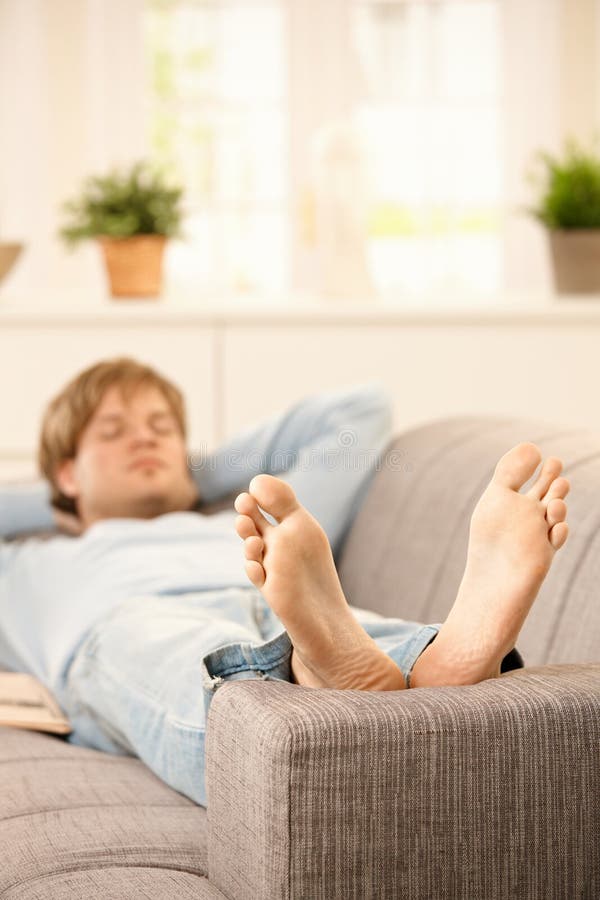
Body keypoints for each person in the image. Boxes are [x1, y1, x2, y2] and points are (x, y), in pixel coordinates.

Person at [0, 358, 570, 807]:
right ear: (67, 471)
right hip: (129, 618)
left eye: (162, 429)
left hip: (279, 598)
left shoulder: (257, 522)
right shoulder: (29, 564)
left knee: (356, 628)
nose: (146, 440)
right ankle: (324, 672)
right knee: (186, 660)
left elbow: (359, 409)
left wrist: (191, 472)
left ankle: (436, 663)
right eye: (115, 431)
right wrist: (59, 499)